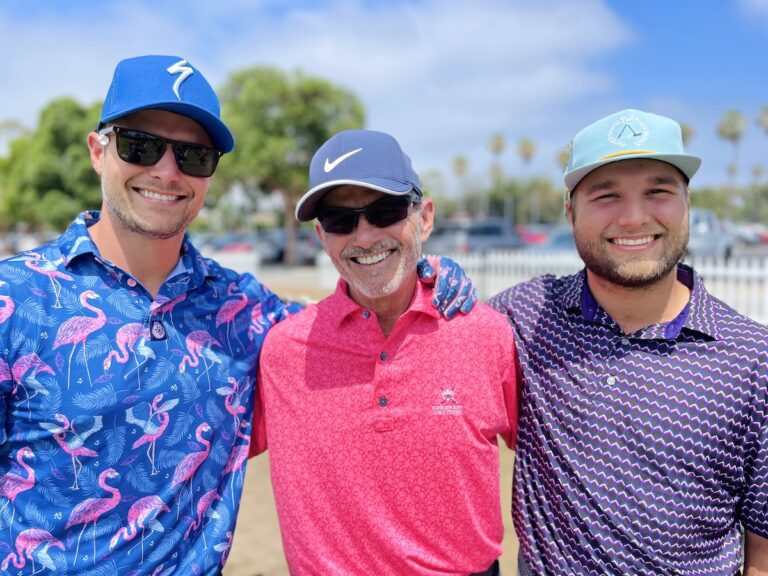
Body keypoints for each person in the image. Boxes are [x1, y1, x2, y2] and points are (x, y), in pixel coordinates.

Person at [0, 56, 474, 574]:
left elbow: (358, 319)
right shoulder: (14, 299)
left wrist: (422, 273)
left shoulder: (246, 313)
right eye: (140, 145)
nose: (165, 171)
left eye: (193, 156)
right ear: (98, 150)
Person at [489, 109, 768, 575]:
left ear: (687, 202)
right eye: (606, 195)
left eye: (658, 191)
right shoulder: (525, 318)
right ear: (569, 210)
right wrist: (435, 278)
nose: (635, 217)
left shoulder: (753, 359)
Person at [253, 129, 518, 576]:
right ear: (321, 236)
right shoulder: (282, 352)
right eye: (340, 220)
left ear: (424, 217)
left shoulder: (487, 334)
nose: (364, 236)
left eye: (385, 211)